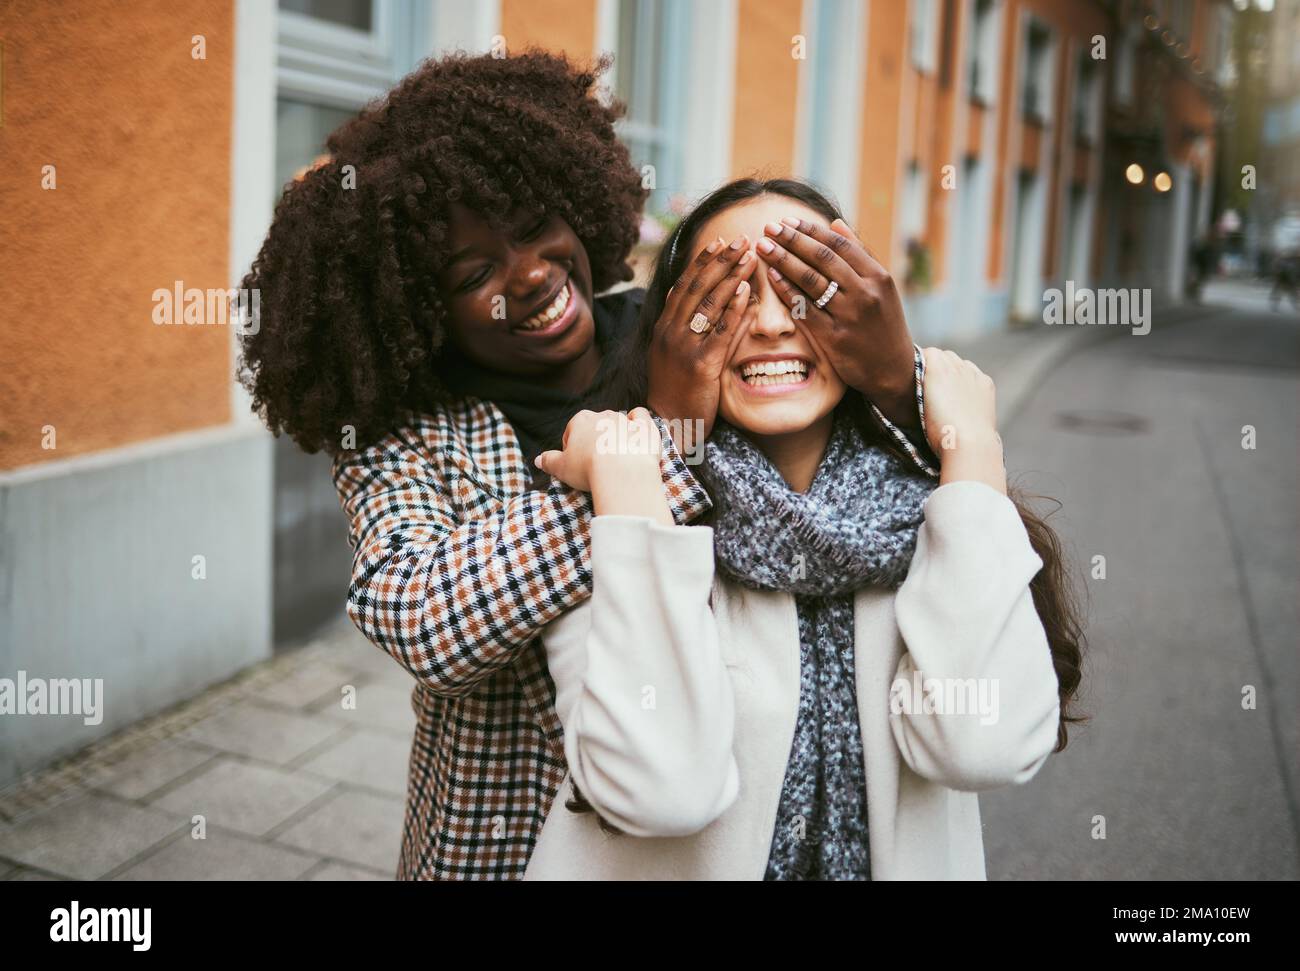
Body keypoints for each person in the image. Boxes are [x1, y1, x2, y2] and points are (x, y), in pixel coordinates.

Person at [238, 55, 927, 879]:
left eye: (535, 227)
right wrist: (657, 455)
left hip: (706, 833)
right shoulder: (406, 438)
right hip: (502, 839)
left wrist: (902, 388)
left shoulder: (675, 337)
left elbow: (834, 482)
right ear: (414, 310)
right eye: (473, 272)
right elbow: (418, 616)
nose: (528, 274)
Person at [525, 178, 1086, 880]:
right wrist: (643, 479)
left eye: (804, 288)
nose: (768, 325)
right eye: (728, 296)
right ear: (672, 328)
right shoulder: (614, 504)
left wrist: (971, 447)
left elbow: (984, 744)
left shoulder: (940, 517)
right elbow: (657, 788)